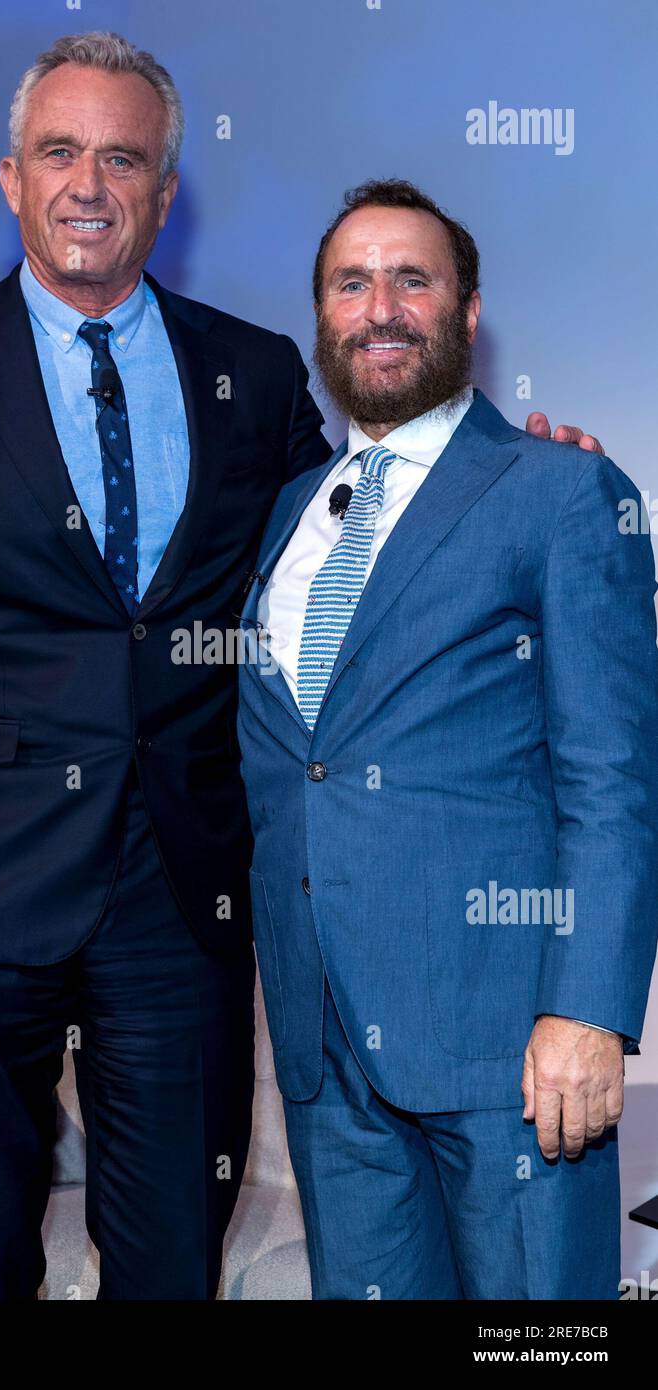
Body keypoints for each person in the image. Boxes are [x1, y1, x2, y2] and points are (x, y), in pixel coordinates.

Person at [0, 33, 602, 1301]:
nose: (88, 183)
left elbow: (354, 528)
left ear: (167, 193)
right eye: (59, 151)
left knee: (174, 1251)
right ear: (9, 178)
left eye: (124, 157)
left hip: (184, 893)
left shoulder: (255, 373)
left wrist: (519, 473)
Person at [237, 178, 658, 1300]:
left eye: (410, 279)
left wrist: (589, 1011)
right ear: (321, 316)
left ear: (466, 312)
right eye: (349, 282)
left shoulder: (562, 489)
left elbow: (612, 775)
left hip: (508, 1045)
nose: (379, 306)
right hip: (323, 1041)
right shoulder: (287, 514)